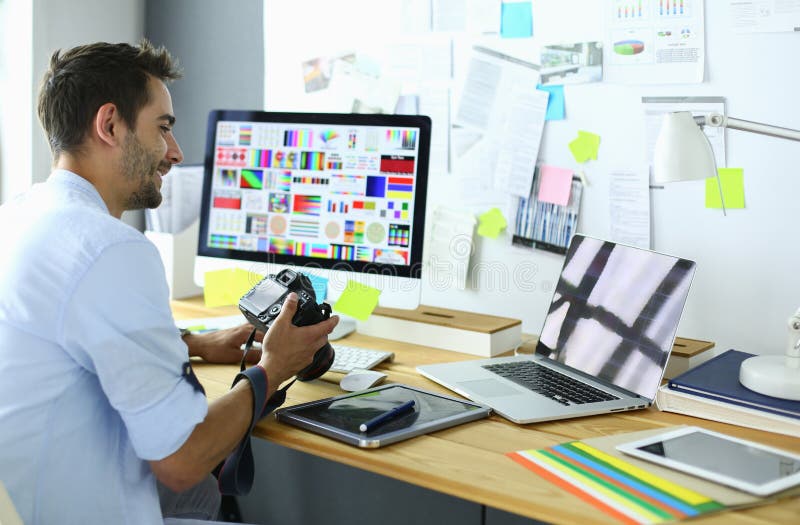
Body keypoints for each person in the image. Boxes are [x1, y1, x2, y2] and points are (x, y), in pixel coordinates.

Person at [0, 40, 338, 524]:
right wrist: (273, 368)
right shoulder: (111, 249)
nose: (175, 153)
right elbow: (182, 459)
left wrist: (195, 343)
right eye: (163, 129)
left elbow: (64, 336)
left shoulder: (17, 217)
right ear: (110, 124)